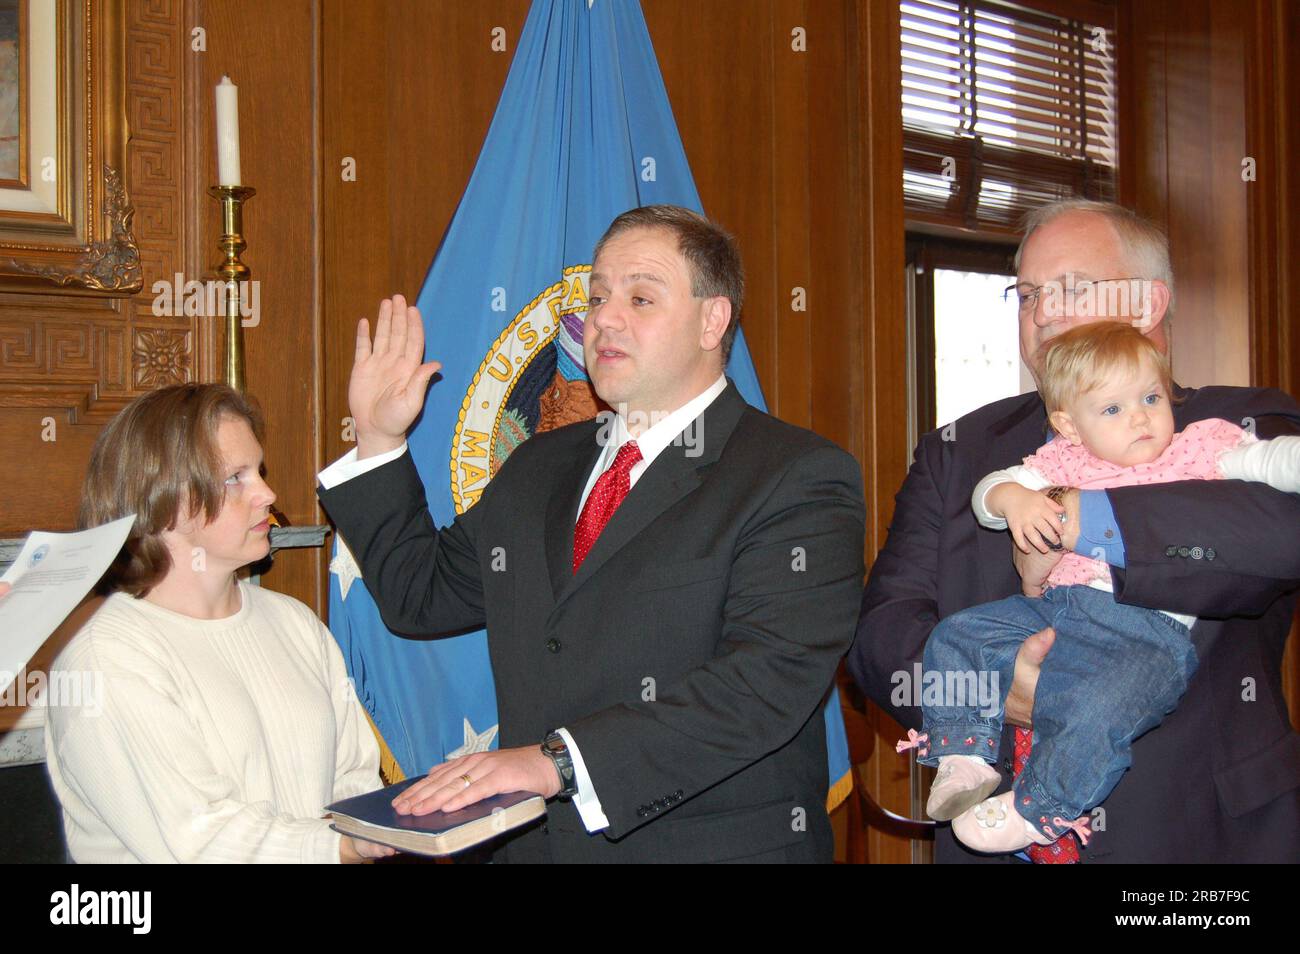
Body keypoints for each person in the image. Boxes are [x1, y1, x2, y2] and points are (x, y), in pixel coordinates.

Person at [317, 205, 866, 863]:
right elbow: (420, 595)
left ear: (712, 320)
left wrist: (559, 762)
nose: (604, 316)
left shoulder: (795, 476)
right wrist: (380, 438)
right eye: (598, 295)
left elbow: (762, 685)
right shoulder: (539, 465)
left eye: (640, 297)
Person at [849, 199, 1300, 863]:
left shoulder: (1238, 424)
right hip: (987, 839)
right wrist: (995, 691)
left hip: (1192, 844)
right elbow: (881, 639)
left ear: (1148, 306)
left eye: (1072, 288)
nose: (1044, 312)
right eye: (1029, 293)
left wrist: (1077, 514)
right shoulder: (961, 450)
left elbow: (1273, 542)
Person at [44, 384, 390, 863]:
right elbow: (197, 840)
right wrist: (341, 845)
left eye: (259, 471)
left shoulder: (294, 623)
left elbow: (353, 776)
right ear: (161, 500)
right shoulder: (104, 660)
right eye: (235, 478)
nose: (267, 492)